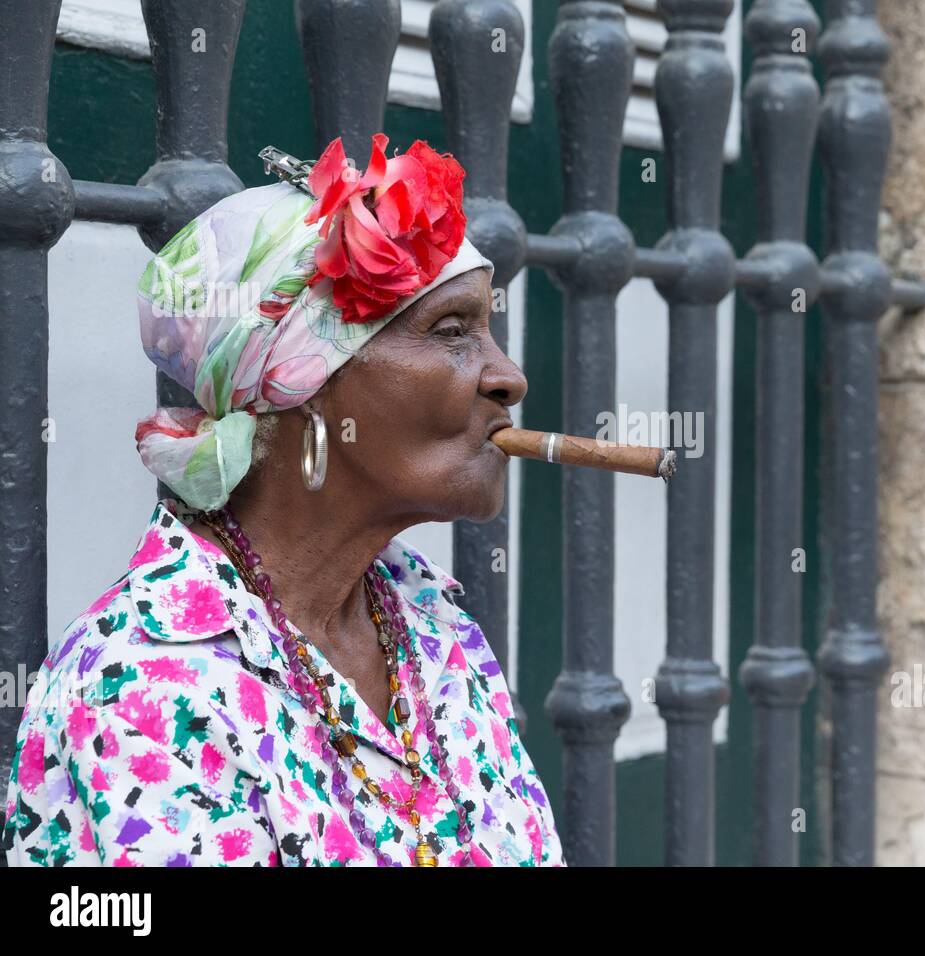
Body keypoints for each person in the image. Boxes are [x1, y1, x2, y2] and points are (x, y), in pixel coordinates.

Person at [2, 134, 564, 867]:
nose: (508, 377)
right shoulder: (146, 685)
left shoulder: (432, 624)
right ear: (304, 387)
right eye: (451, 330)